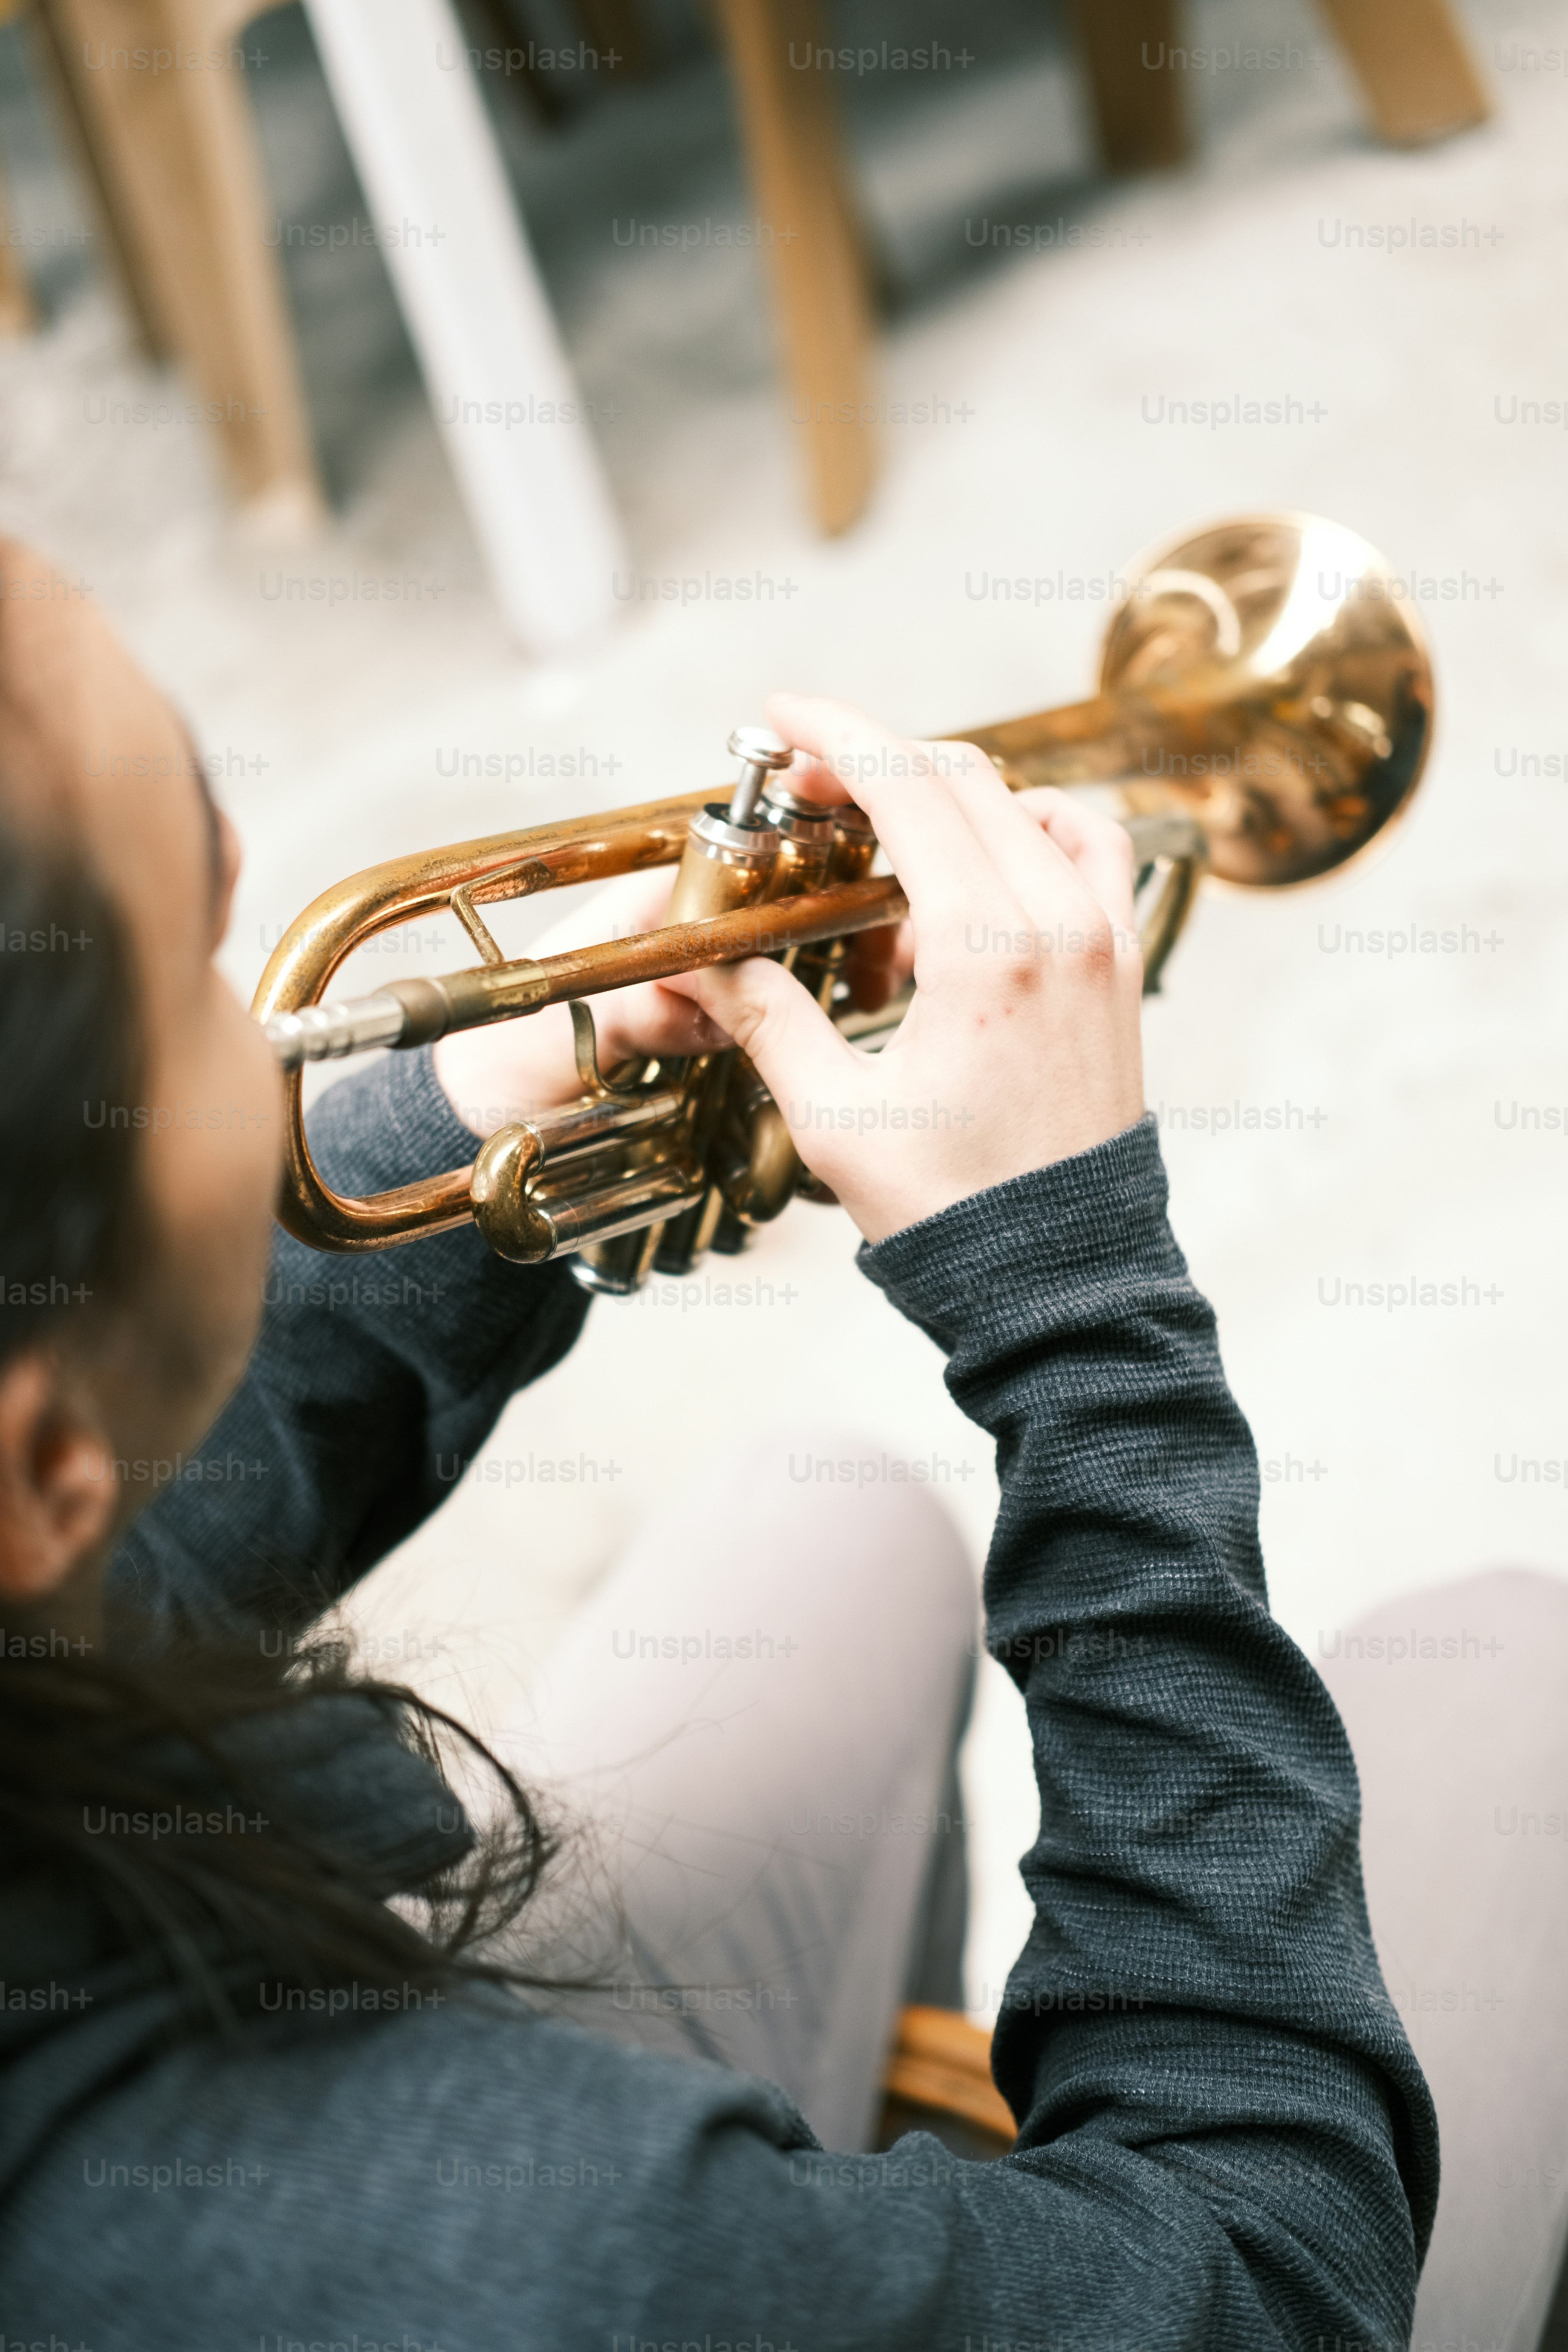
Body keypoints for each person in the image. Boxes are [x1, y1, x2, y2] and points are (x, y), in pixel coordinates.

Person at [0, 541, 1435, 2349]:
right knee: (1509, 1691)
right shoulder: (515, 2257)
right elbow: (1271, 2273)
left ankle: (859, 2194)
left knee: (826, 1520)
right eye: (205, 956)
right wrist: (1076, 1306)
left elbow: (112, 1540)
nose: (267, 1016)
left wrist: (513, 1081)